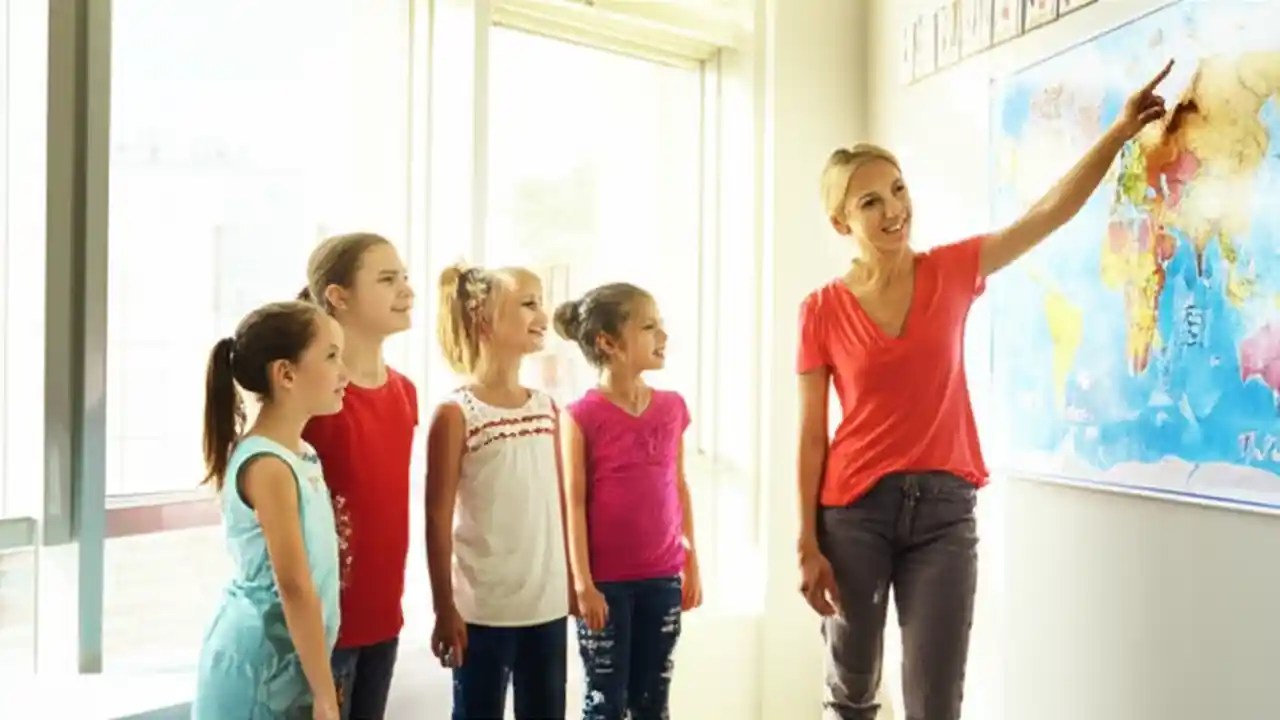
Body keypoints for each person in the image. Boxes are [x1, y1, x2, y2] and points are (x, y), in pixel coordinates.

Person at [795, 62, 1173, 720]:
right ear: (840, 223)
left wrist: (1117, 133)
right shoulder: (821, 309)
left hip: (944, 512)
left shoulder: (951, 270)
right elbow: (809, 433)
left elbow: (1046, 213)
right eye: (870, 202)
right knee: (850, 695)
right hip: (853, 513)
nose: (894, 210)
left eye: (898, 189)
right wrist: (806, 541)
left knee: (936, 703)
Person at [426, 263, 572, 720]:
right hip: (482, 615)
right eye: (528, 303)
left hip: (546, 609)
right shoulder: (456, 413)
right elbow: (435, 519)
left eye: (540, 301)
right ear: (484, 320)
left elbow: (561, 503)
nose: (542, 314)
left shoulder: (548, 408)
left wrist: (572, 580)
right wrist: (444, 609)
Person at [192, 300, 348, 720]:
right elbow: (294, 585)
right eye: (331, 356)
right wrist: (325, 695)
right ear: (286, 374)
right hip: (257, 666)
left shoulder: (302, 454)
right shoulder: (268, 466)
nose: (344, 373)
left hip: (288, 663)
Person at [554, 282, 703, 720]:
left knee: (652, 700)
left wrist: (690, 562)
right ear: (609, 343)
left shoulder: (672, 407)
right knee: (606, 701)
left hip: (662, 578)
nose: (663, 336)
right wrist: (583, 584)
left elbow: (679, 486)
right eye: (649, 326)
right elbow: (574, 503)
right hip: (606, 587)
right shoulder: (581, 415)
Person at [298, 232, 418, 720]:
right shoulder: (312, 399)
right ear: (338, 297)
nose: (406, 291)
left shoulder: (405, 392)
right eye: (388, 280)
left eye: (405, 278)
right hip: (324, 629)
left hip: (384, 619)